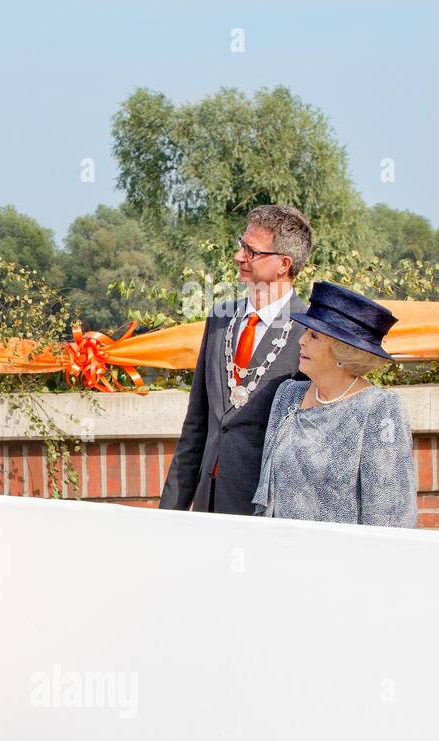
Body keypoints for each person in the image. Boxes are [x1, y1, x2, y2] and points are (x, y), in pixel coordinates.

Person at [160, 205, 312, 514]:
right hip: (207, 507)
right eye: (240, 244)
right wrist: (170, 515)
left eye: (251, 251)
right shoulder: (219, 319)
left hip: (267, 512)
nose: (239, 256)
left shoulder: (311, 332)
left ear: (283, 264)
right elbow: (196, 425)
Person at [252, 282, 416, 527]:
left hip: (343, 559)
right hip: (282, 553)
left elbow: (391, 515)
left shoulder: (380, 409)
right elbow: (267, 499)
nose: (301, 341)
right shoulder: (288, 395)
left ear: (343, 354)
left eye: (314, 336)